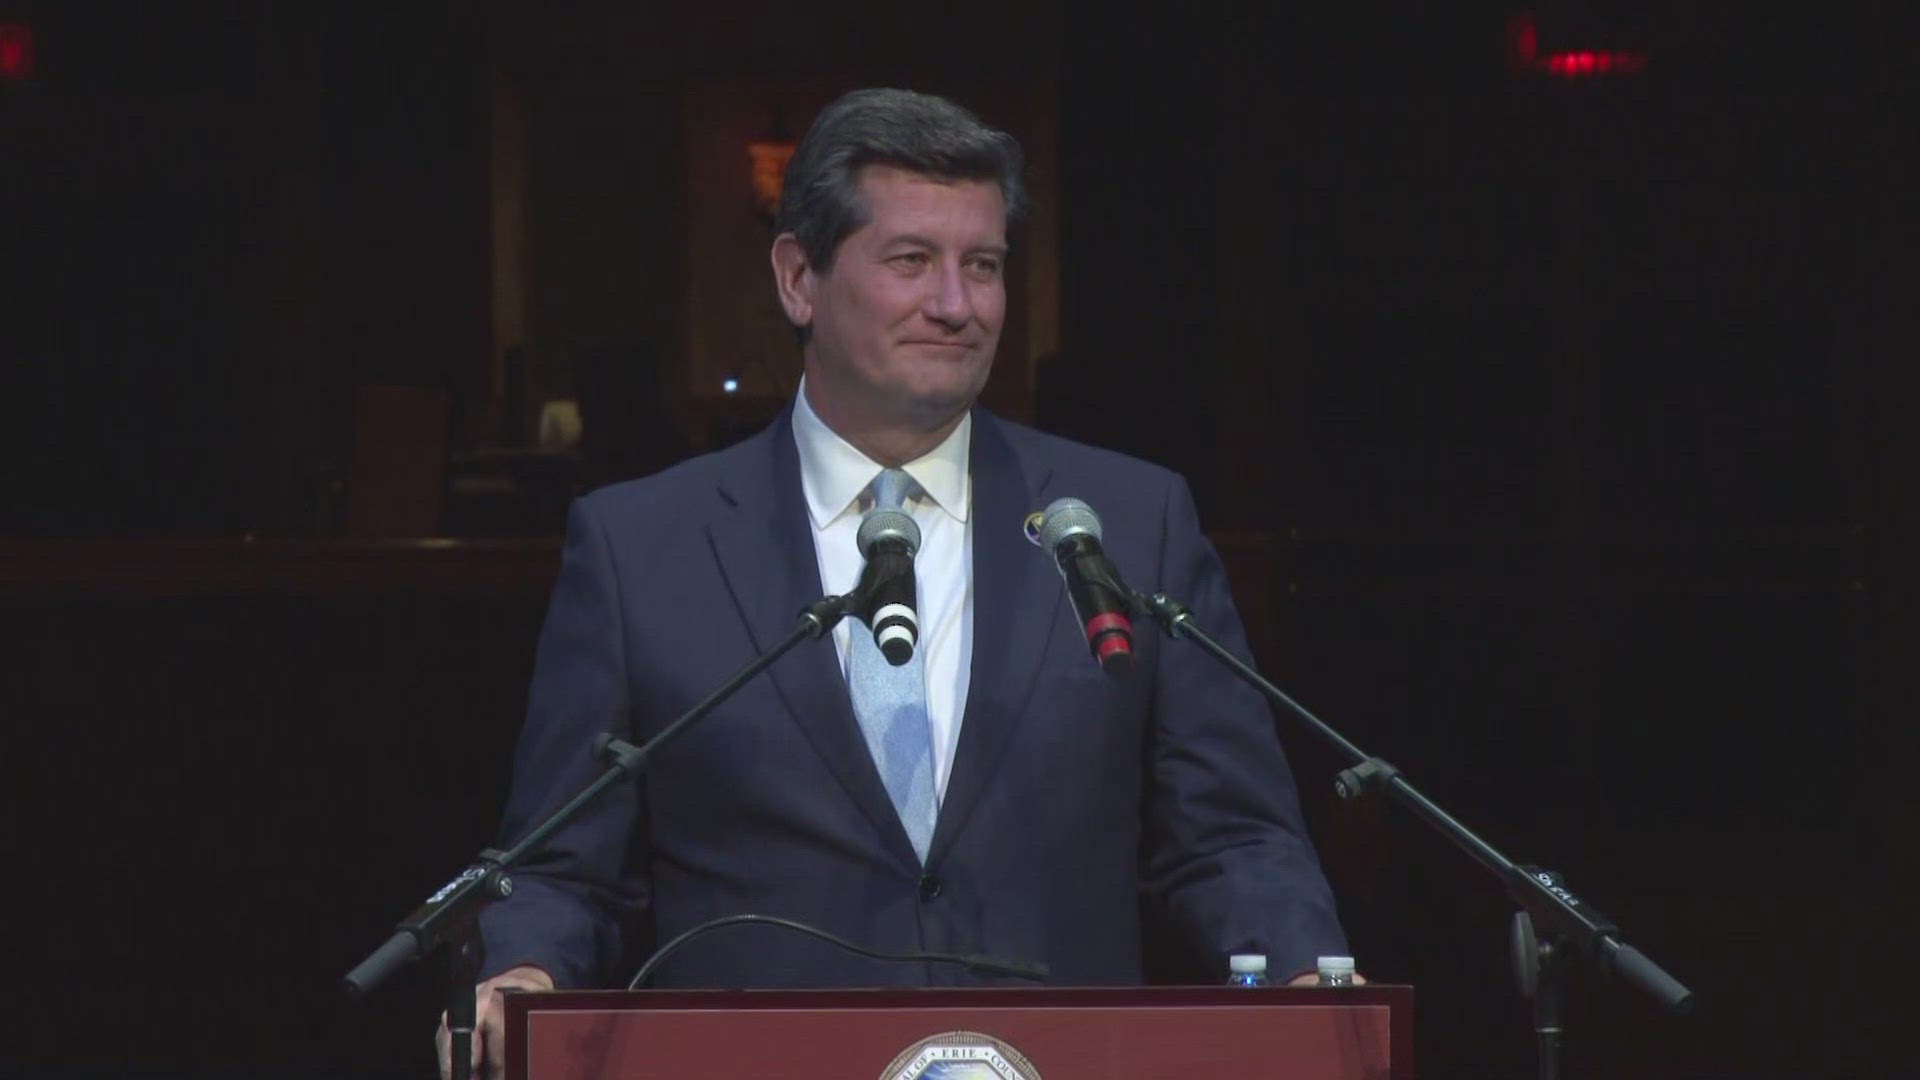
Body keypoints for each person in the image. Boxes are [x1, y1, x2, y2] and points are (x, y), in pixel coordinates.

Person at [437, 87, 1349, 1079]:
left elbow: (1231, 834)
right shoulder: (641, 546)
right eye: (912, 261)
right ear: (798, 278)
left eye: (984, 266)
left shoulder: (1128, 524)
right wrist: (524, 973)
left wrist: (1307, 984)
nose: (956, 304)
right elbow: (568, 865)